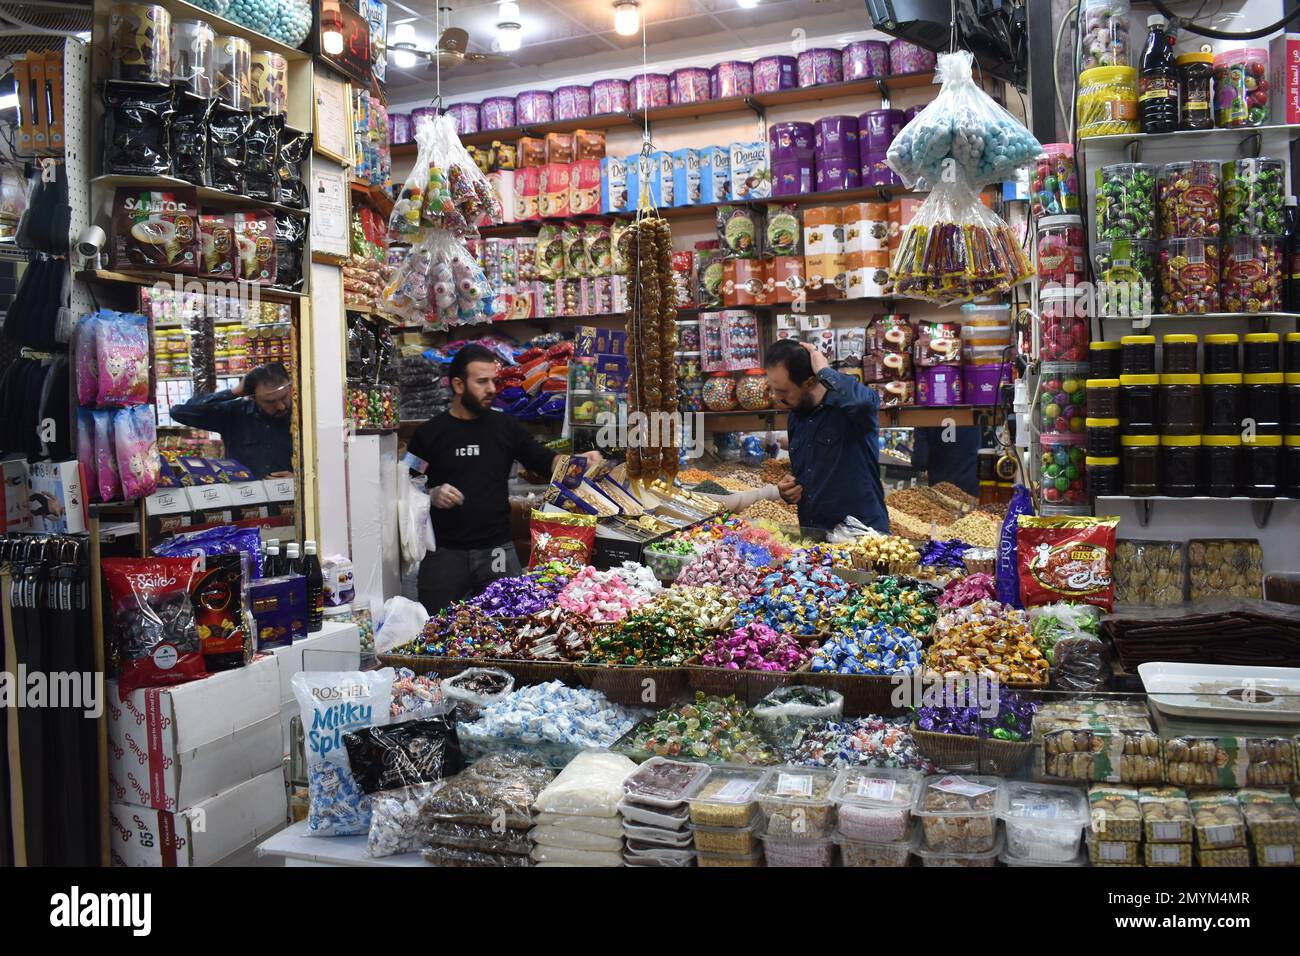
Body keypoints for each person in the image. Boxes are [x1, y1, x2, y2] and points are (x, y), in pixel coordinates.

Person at [405, 344, 603, 614]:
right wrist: (431, 494)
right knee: (431, 626)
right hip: (444, 554)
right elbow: (404, 488)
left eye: (494, 381)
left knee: (511, 624)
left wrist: (580, 463)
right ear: (458, 385)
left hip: (496, 549)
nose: (491, 389)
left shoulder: (506, 428)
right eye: (482, 382)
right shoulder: (428, 434)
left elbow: (546, 462)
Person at [764, 339, 887, 533]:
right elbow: (810, 473)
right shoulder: (796, 416)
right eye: (772, 388)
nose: (775, 397)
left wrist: (824, 371)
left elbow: (865, 403)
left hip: (861, 539)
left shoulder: (851, 409)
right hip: (815, 537)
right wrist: (789, 491)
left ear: (810, 382)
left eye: (782, 391)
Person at [169, 363, 293, 479]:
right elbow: (179, 412)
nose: (281, 406)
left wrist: (300, 478)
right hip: (246, 497)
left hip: (293, 497)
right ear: (252, 397)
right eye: (270, 402)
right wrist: (234, 392)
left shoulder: (305, 415)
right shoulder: (234, 413)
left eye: (284, 397)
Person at [910, 426, 982, 496]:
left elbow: (920, 461)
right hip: (971, 488)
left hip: (940, 491)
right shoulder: (974, 414)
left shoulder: (922, 416)